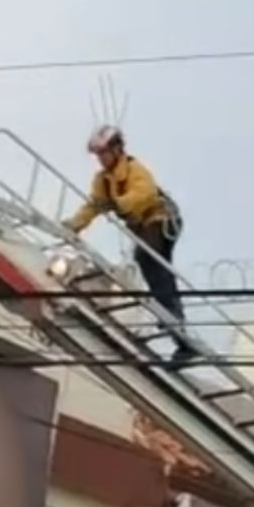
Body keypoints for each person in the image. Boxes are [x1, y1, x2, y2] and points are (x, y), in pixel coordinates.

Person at [64, 126, 192, 359]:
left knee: (148, 259)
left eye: (104, 153)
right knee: (153, 266)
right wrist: (74, 225)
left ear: (117, 149)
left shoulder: (134, 169)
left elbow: (146, 193)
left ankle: (171, 314)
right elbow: (94, 205)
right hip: (143, 226)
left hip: (160, 220)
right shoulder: (102, 180)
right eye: (98, 155)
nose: (101, 159)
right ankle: (176, 326)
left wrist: (120, 203)